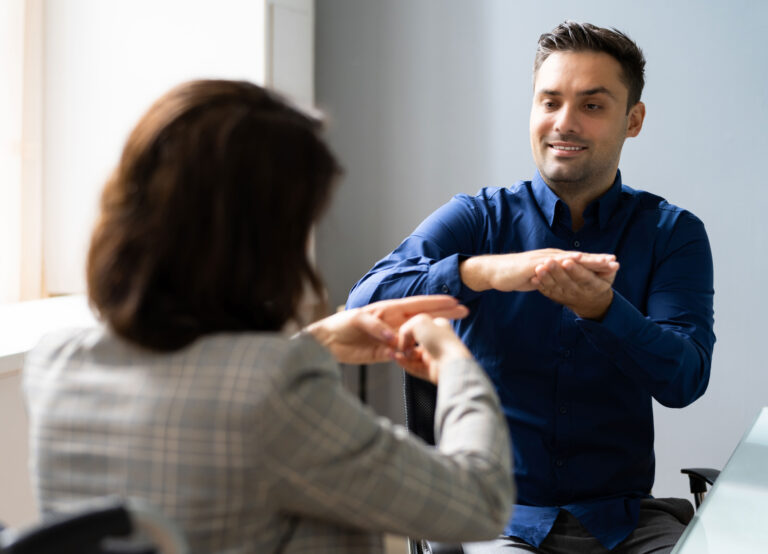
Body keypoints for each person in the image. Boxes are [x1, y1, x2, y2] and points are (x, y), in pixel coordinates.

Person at [22, 80, 514, 553]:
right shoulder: (275, 392)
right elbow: (479, 502)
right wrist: (456, 363)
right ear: (260, 242)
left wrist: (315, 340)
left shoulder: (55, 365)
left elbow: (204, 392)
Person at [347, 21, 715, 554]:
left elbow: (685, 380)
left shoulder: (672, 233)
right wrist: (484, 272)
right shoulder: (477, 219)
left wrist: (605, 311)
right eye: (550, 102)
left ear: (632, 120)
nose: (564, 123)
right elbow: (365, 300)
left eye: (592, 106)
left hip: (623, 521)